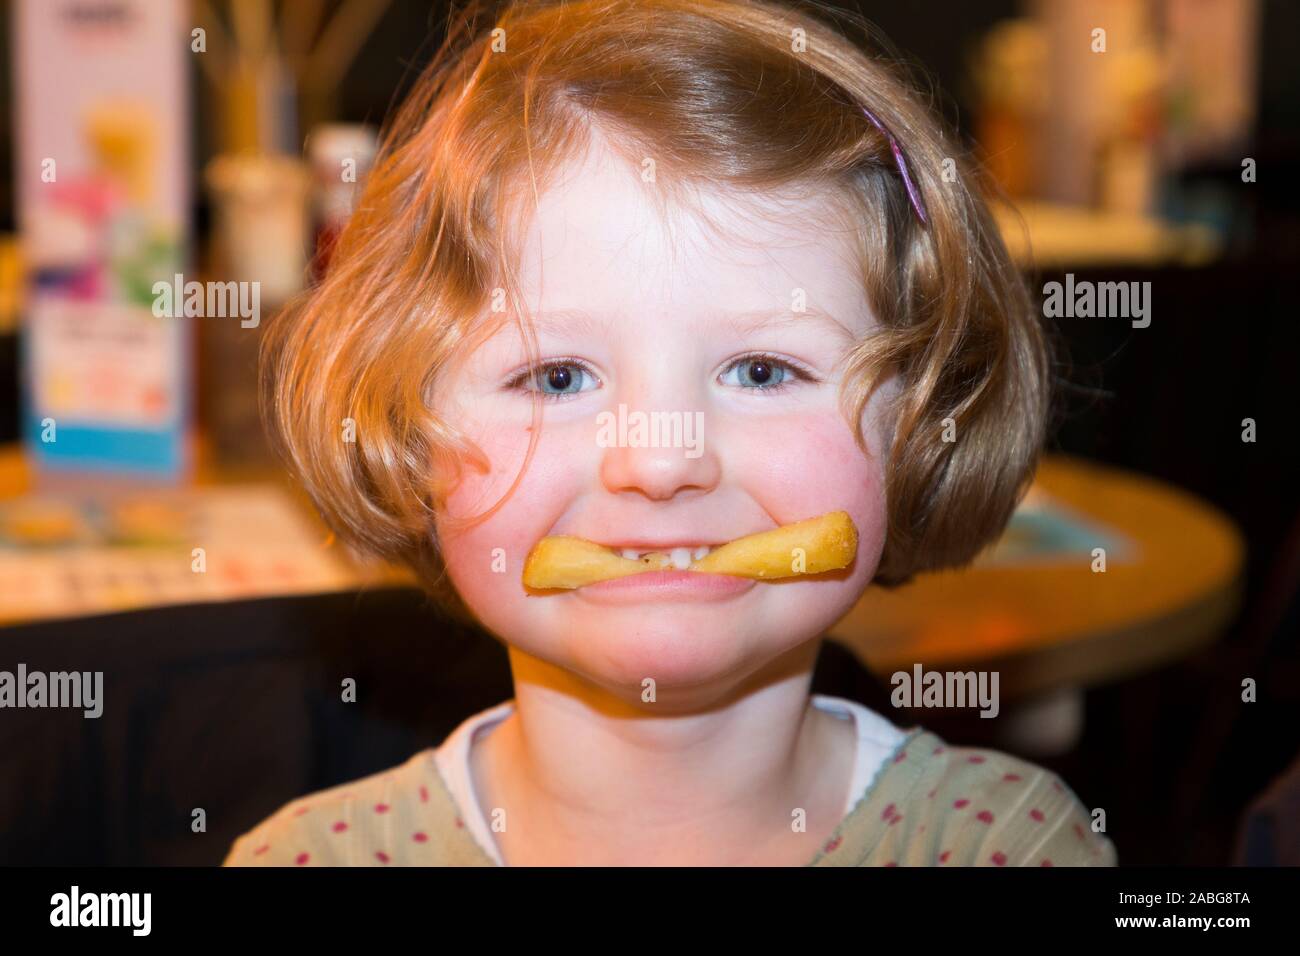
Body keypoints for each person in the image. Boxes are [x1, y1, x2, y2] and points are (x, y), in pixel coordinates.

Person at [225, 0, 1117, 867]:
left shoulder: (1011, 847)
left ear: (922, 419)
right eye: (557, 377)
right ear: (406, 435)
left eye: (763, 371)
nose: (659, 460)